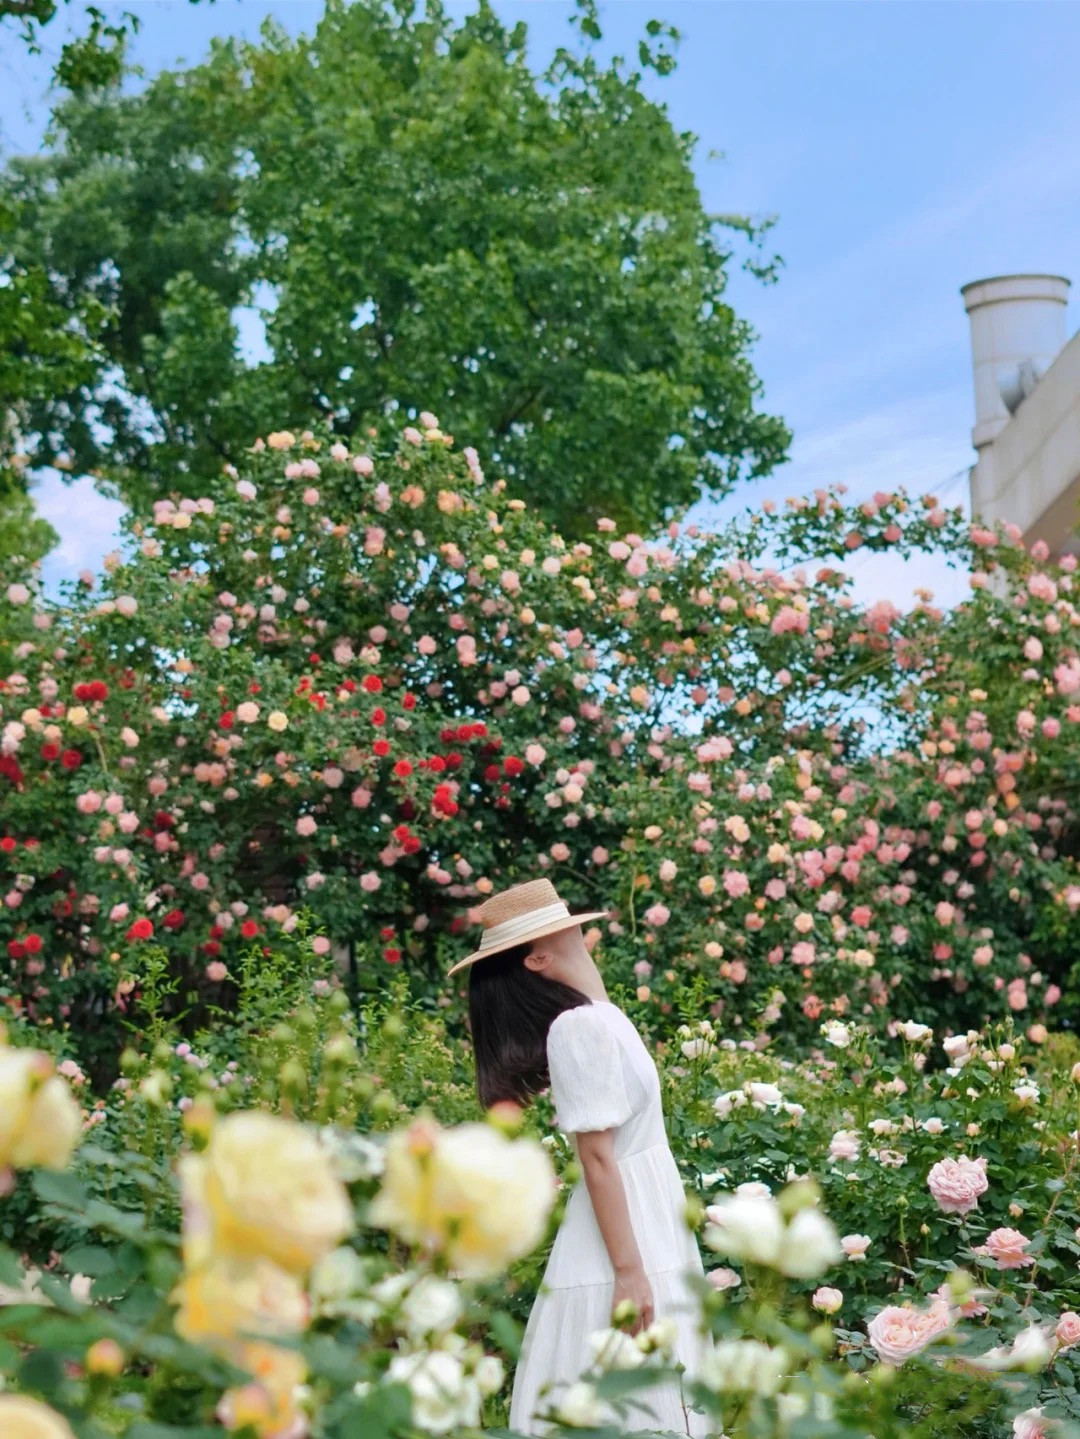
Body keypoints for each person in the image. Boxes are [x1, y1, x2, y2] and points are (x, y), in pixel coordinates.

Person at [449, 878, 711, 1436]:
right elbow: (596, 1159)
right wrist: (628, 1272)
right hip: (622, 1241)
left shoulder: (599, 1016)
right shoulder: (578, 1027)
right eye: (555, 922)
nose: (573, 922)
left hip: (648, 1221)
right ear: (539, 956)